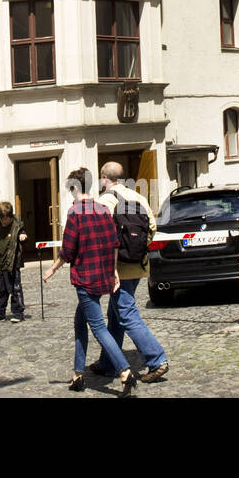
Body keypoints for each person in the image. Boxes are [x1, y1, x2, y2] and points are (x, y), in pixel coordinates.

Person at [43, 168, 136, 395]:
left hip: (86, 278)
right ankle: (78, 375)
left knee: (97, 327)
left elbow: (68, 251)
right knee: (79, 321)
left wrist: (52, 270)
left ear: (75, 188)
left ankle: (124, 371)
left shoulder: (75, 212)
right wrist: (113, 271)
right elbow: (114, 243)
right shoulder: (103, 210)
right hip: (102, 275)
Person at [91, 163, 168, 383]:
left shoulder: (105, 200)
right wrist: (137, 252)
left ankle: (157, 359)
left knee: (125, 312)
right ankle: (109, 363)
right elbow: (152, 228)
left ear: (104, 177)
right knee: (115, 314)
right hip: (138, 266)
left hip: (117, 268)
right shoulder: (138, 197)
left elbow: (100, 236)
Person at [0, 201, 27, 322]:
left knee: (15, 288)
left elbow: (22, 232)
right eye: (2, 219)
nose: (4, 222)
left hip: (13, 261)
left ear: (10, 217)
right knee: (3, 290)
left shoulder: (17, 225)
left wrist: (23, 236)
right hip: (2, 261)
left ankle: (18, 313)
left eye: (6, 219)